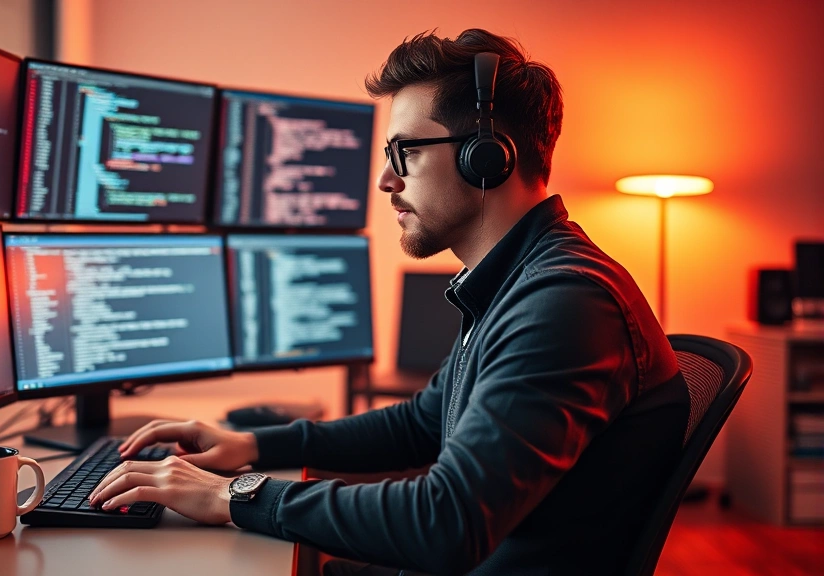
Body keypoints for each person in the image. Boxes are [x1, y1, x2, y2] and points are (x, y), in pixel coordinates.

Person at [89, 28, 690, 576]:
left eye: (406, 153)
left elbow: (447, 520)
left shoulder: (566, 303)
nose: (386, 182)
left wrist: (234, 496)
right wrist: (255, 447)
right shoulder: (515, 282)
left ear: (487, 157)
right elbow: (420, 423)